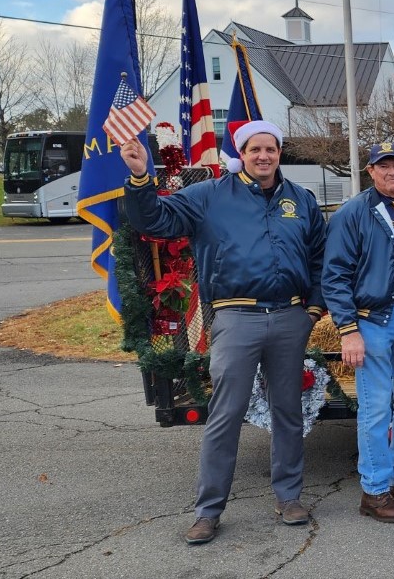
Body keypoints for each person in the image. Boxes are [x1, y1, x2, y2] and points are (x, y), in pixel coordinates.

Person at [120, 120, 326, 545]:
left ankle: (288, 497)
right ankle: (208, 511)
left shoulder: (300, 200)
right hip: (236, 318)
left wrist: (313, 309)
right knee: (225, 414)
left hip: (290, 318)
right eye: (255, 150)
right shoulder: (209, 195)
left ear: (279, 153)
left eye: (271, 149)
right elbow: (154, 220)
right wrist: (141, 178)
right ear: (242, 154)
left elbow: (321, 256)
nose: (264, 156)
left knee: (288, 411)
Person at [323, 142, 394, 523]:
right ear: (370, 171)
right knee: (376, 408)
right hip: (371, 321)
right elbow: (335, 274)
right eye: (383, 166)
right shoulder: (353, 213)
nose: (392, 172)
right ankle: (374, 491)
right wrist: (347, 329)